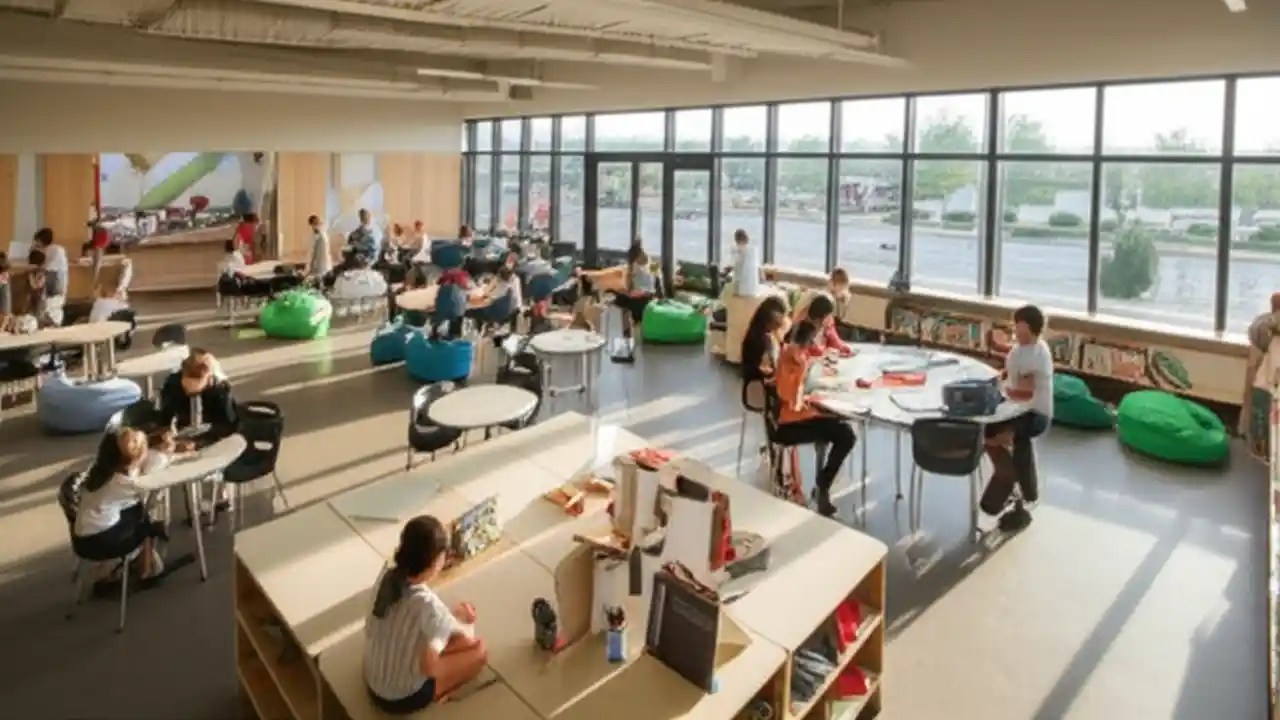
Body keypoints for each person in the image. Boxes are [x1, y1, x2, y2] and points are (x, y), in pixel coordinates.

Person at [364, 516, 487, 714]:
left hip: (372, 675)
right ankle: (440, 691)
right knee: (479, 651)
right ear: (434, 563)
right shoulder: (427, 605)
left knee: (444, 640)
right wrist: (462, 625)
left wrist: (450, 618)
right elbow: (430, 666)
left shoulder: (386, 574)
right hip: (399, 697)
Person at [979, 304, 1054, 532]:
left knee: (989, 432)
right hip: (1019, 410)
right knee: (1015, 448)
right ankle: (1023, 491)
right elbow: (1014, 365)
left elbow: (1025, 391)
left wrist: (998, 391)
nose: (1015, 329)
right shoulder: (1025, 347)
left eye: (1018, 325)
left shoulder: (1037, 355)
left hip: (1032, 414)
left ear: (1029, 327)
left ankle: (1005, 487)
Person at [772, 320, 856, 517]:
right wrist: (804, 377)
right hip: (788, 424)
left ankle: (823, 484)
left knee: (839, 425)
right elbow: (789, 396)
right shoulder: (791, 359)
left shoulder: (793, 353)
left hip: (796, 415)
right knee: (845, 435)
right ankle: (823, 485)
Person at [73, 428, 173, 583]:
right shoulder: (125, 483)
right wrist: (166, 453)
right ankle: (145, 571)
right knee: (144, 518)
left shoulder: (99, 472)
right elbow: (152, 473)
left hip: (81, 539)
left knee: (134, 511)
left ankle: (124, 562)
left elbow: (138, 461)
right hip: (102, 541)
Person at [1241, 293, 1280, 439]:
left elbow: (1252, 367)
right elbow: (1252, 366)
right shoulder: (1262, 330)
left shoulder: (1261, 329)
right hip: (1266, 390)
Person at [740, 296, 790, 384]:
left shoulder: (770, 333)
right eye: (777, 323)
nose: (779, 326)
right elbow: (756, 370)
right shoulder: (758, 340)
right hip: (759, 385)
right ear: (767, 320)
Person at [730, 228, 764, 297]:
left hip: (738, 288)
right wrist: (763, 279)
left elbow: (735, 266)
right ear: (746, 239)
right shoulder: (752, 251)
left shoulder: (735, 250)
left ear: (736, 240)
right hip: (751, 289)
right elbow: (759, 270)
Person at [307, 215, 333, 281]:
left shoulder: (323, 234)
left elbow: (326, 250)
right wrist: (309, 268)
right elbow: (312, 253)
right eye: (314, 223)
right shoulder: (316, 236)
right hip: (319, 266)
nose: (316, 225)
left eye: (317, 222)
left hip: (324, 264)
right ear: (311, 225)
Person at [0, 253, 11, 332]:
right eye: (2, 273)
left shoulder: (4, 284)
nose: (6, 276)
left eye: (6, 272)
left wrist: (1, 329)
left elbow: (6, 313)